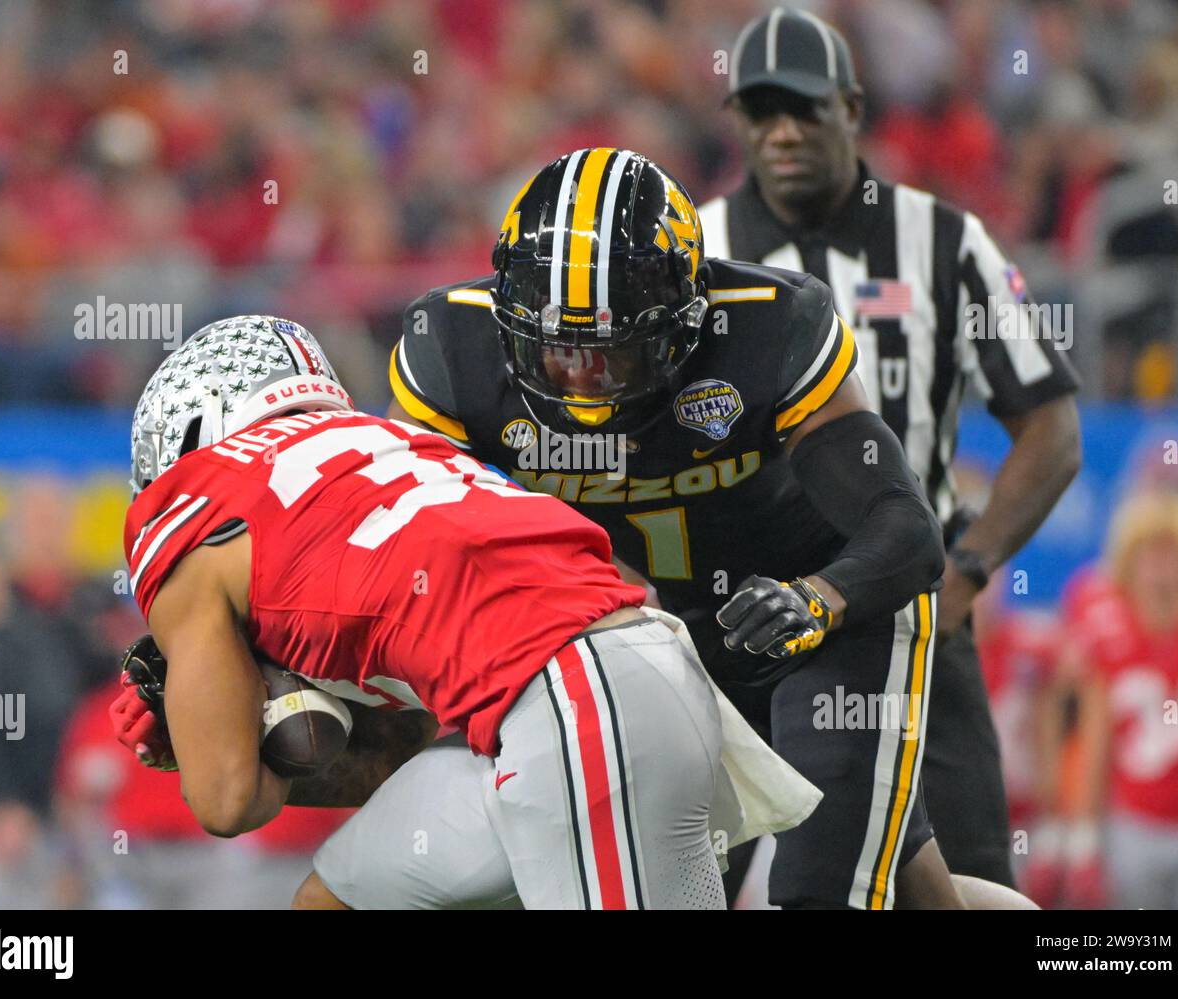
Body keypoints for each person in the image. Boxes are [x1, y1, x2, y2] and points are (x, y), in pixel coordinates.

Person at [384, 147, 981, 909]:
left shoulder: (770, 327)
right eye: (559, 348)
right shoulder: (451, 346)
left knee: (823, 889)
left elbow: (904, 527)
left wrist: (818, 598)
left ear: (686, 319)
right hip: (671, 640)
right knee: (686, 889)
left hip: (831, 617)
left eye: (613, 350)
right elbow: (410, 543)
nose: (582, 378)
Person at [115, 314, 734, 909]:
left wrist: (221, 745)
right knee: (337, 899)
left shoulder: (186, 515)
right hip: (606, 683)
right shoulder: (390, 443)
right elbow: (401, 751)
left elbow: (227, 803)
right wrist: (270, 734)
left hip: (579, 701)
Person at [697, 7, 1082, 887]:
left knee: (968, 869)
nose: (783, 131)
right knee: (688, 874)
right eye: (761, 112)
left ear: (853, 108)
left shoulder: (944, 241)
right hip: (738, 613)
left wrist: (971, 564)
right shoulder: (697, 250)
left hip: (907, 603)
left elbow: (1051, 424)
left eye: (804, 108)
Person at [1060, 489, 1178, 909]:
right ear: (1127, 563)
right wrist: (1083, 841)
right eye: (1150, 555)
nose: (1161, 570)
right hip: (1136, 822)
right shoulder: (1104, 619)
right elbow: (1095, 739)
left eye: (1173, 554)